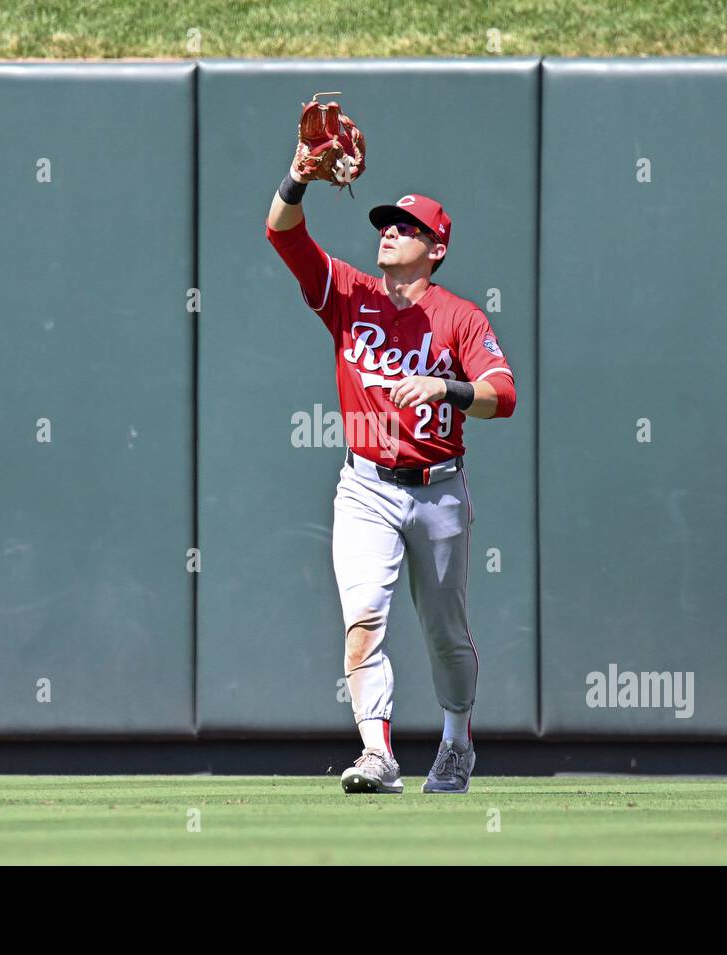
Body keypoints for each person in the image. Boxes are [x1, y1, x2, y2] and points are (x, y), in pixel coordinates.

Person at [265, 147, 517, 795]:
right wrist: (298, 173)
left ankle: (457, 743)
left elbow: (503, 395)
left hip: (438, 491)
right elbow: (282, 232)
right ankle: (376, 752)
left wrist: (448, 389)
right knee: (363, 619)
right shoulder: (348, 293)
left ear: (436, 249)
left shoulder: (459, 317)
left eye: (406, 228)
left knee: (446, 634)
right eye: (385, 224)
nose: (390, 231)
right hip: (366, 486)